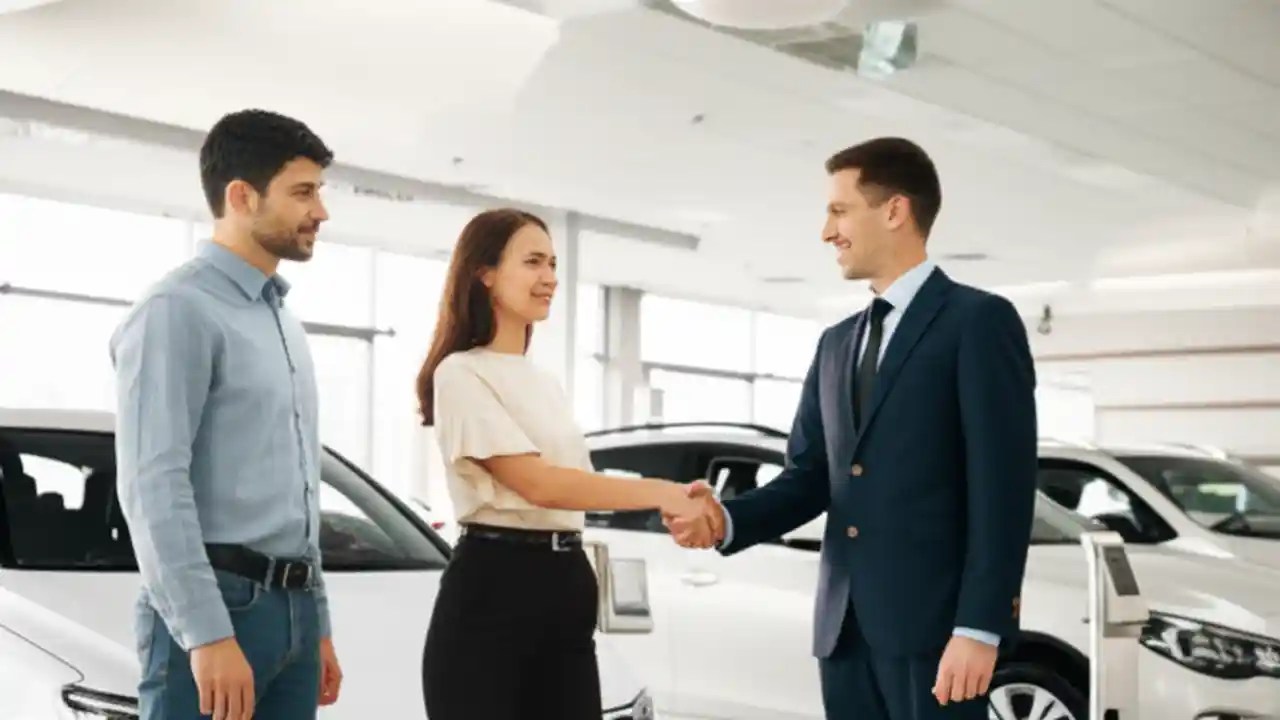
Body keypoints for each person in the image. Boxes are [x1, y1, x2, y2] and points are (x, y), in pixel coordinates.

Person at [668, 137, 1038, 719]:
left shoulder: (978, 322)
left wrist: (980, 626)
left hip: (937, 632)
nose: (826, 231)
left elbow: (1004, 489)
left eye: (839, 211)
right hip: (843, 633)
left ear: (894, 211)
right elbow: (810, 478)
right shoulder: (836, 343)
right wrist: (727, 518)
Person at [415, 208, 712, 719]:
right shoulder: (460, 373)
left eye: (552, 263)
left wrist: (678, 499)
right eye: (533, 262)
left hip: (566, 579)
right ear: (484, 273)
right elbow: (541, 485)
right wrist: (665, 492)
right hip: (494, 587)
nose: (550, 277)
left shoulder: (544, 382)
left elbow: (577, 487)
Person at [111, 109, 344, 720]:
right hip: (220, 606)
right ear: (241, 196)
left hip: (291, 611)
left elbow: (299, 490)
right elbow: (153, 485)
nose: (320, 211)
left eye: (318, 192)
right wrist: (205, 633)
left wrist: (315, 622)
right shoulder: (176, 309)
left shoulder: (281, 319)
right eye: (302, 192)